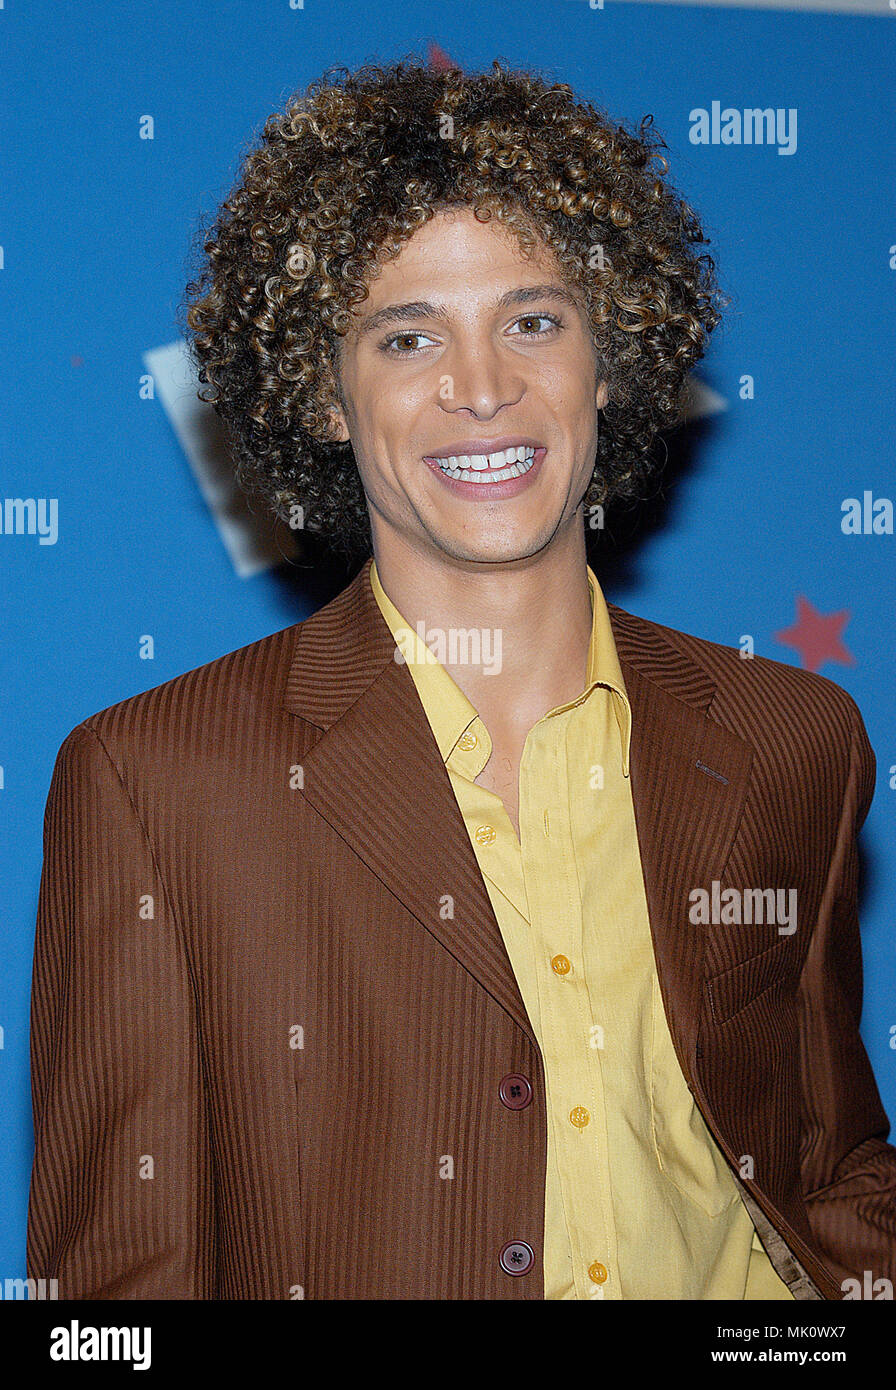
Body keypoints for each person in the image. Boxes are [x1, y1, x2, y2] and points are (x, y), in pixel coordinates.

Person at [27, 58, 896, 1300]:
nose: (481, 388)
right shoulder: (155, 782)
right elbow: (118, 1300)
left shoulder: (794, 737)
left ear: (610, 361)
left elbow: (827, 1168)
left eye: (533, 321)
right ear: (325, 397)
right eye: (406, 335)